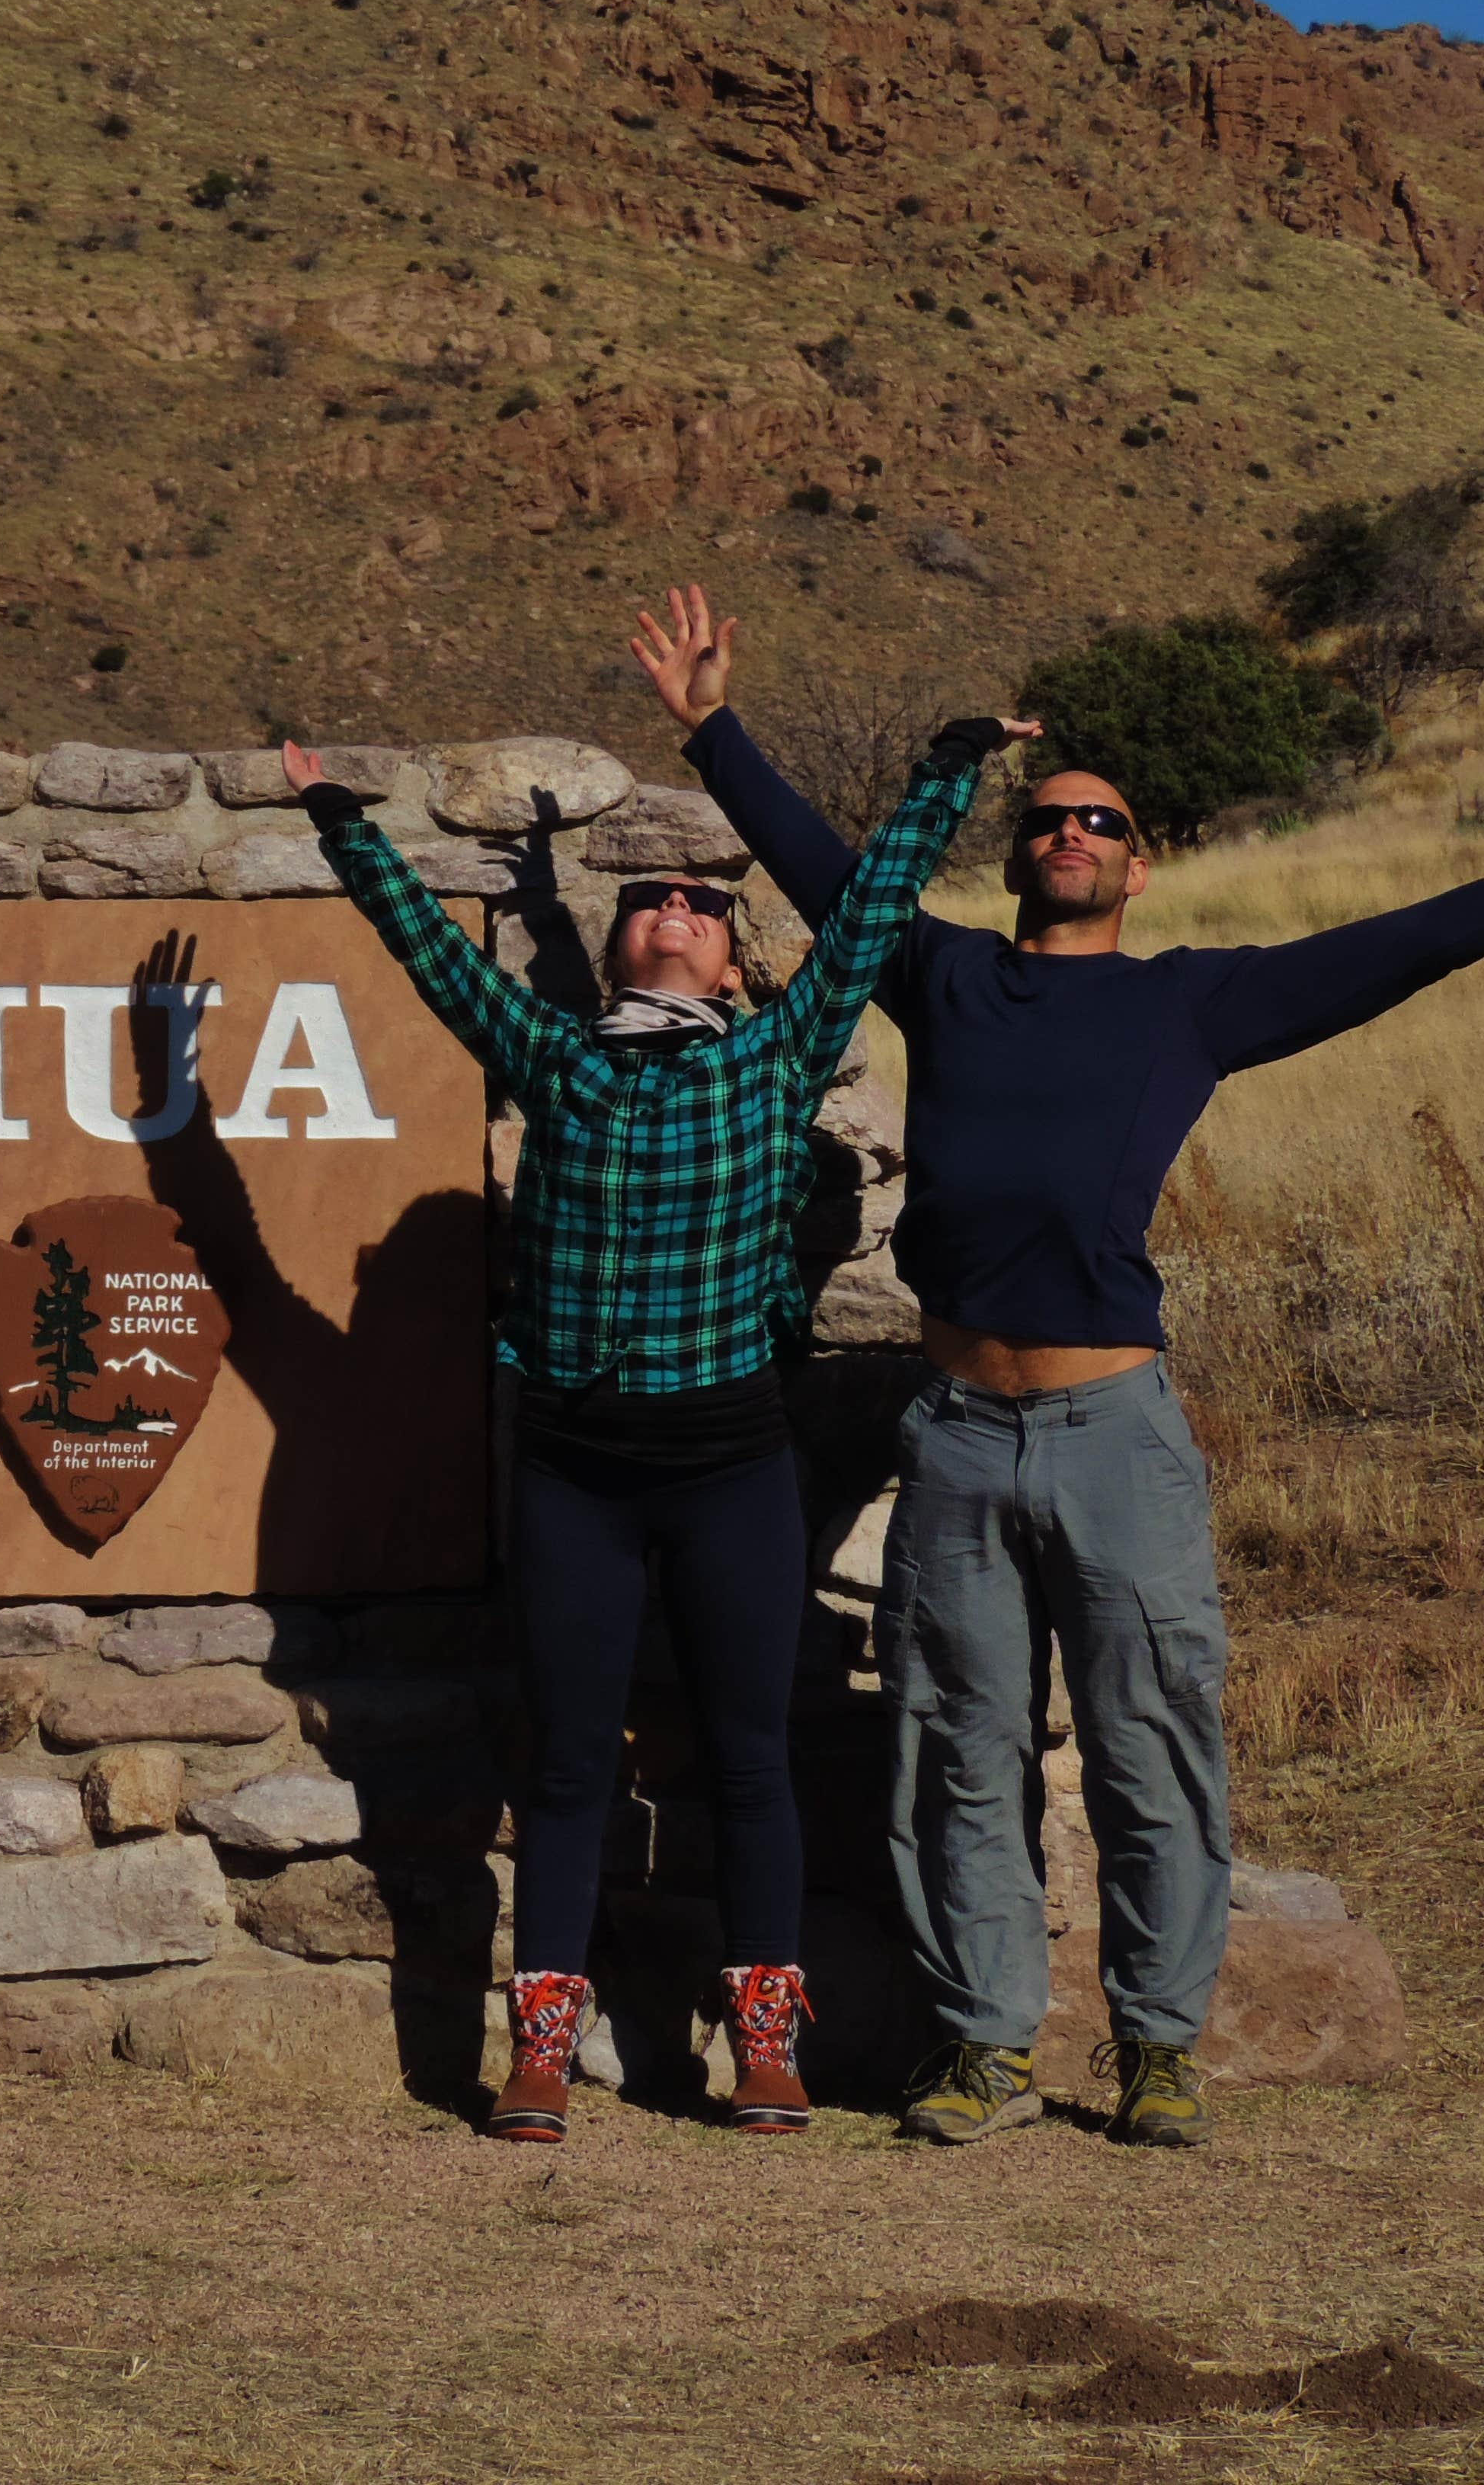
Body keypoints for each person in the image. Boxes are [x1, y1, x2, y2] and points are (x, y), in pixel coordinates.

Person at [635, 584, 1484, 2148]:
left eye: (1100, 821)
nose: (1072, 833)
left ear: (1137, 862)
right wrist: (711, 731)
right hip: (959, 1432)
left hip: (1116, 1434)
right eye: (1047, 818)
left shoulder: (1191, 1003)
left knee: (1150, 1748)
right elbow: (826, 872)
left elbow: (1394, 950)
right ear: (1015, 856)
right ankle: (985, 2048)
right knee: (956, 1753)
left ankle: (1160, 2048)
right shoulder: (946, 974)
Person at [289, 707, 1028, 2141]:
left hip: (728, 1466)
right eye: (648, 901)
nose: (675, 911)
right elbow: (431, 952)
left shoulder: (775, 1059)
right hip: (574, 1470)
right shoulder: (552, 1057)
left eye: (702, 903)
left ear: (736, 963)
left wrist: (948, 767)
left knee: (749, 1755)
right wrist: (340, 826)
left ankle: (765, 2047)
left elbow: (872, 912)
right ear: (617, 945)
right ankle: (541, 2052)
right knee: (568, 1764)